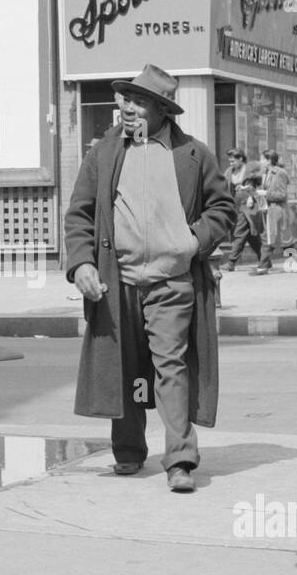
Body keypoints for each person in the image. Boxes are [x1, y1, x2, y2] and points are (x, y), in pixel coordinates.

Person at [64, 64, 236, 493]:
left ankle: (179, 459)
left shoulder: (194, 155)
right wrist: (82, 263)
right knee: (127, 369)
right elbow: (79, 214)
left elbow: (223, 209)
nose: (128, 109)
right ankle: (128, 450)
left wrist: (193, 241)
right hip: (116, 280)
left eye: (139, 103)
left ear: (162, 111)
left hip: (171, 282)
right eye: (126, 100)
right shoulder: (102, 154)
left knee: (170, 367)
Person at [249, 148, 297, 274]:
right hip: (269, 209)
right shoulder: (266, 173)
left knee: (270, 239)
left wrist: (265, 193)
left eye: (262, 159)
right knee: (282, 240)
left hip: (277, 210)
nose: (260, 161)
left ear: (269, 160)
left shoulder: (279, 173)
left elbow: (281, 194)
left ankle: (263, 266)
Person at [222, 149, 264, 270]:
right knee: (251, 235)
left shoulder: (250, 168)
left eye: (233, 161)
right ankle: (264, 258)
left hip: (248, 203)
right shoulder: (229, 171)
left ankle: (231, 262)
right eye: (229, 161)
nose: (231, 164)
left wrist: (251, 194)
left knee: (239, 232)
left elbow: (261, 178)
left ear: (241, 159)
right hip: (236, 204)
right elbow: (223, 184)